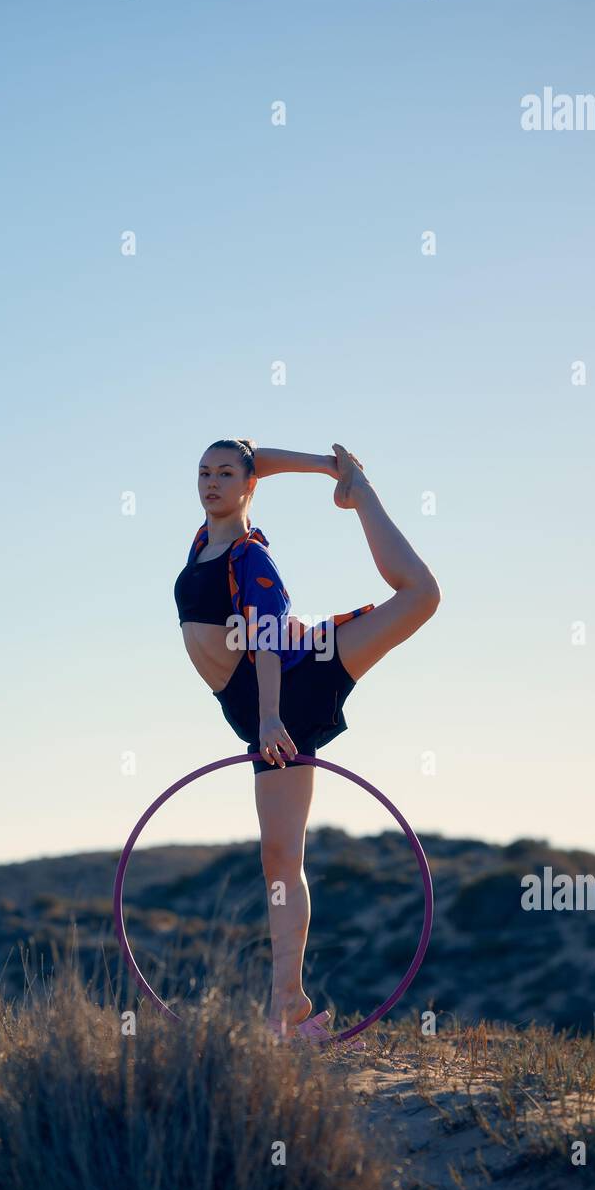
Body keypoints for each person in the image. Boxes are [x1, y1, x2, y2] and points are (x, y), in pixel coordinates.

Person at [173, 439, 441, 1043]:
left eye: (225, 475)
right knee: (278, 860)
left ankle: (363, 498)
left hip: (290, 684)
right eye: (203, 473)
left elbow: (265, 641)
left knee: (421, 596)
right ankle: (289, 1008)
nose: (211, 482)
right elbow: (249, 454)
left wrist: (270, 720)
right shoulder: (203, 542)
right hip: (259, 703)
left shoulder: (249, 556)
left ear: (248, 487)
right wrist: (322, 466)